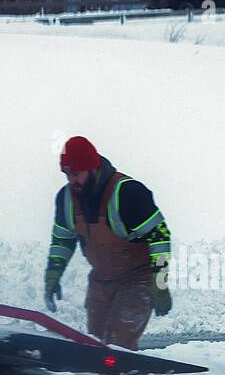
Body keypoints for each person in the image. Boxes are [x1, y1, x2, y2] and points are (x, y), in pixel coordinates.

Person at [43, 136, 172, 349]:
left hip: (136, 280)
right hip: (100, 281)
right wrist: (53, 275)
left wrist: (159, 283)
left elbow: (160, 237)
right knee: (94, 348)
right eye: (67, 174)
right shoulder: (65, 199)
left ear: (92, 168)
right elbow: (62, 241)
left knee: (116, 348)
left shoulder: (128, 193)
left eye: (76, 174)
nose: (71, 180)